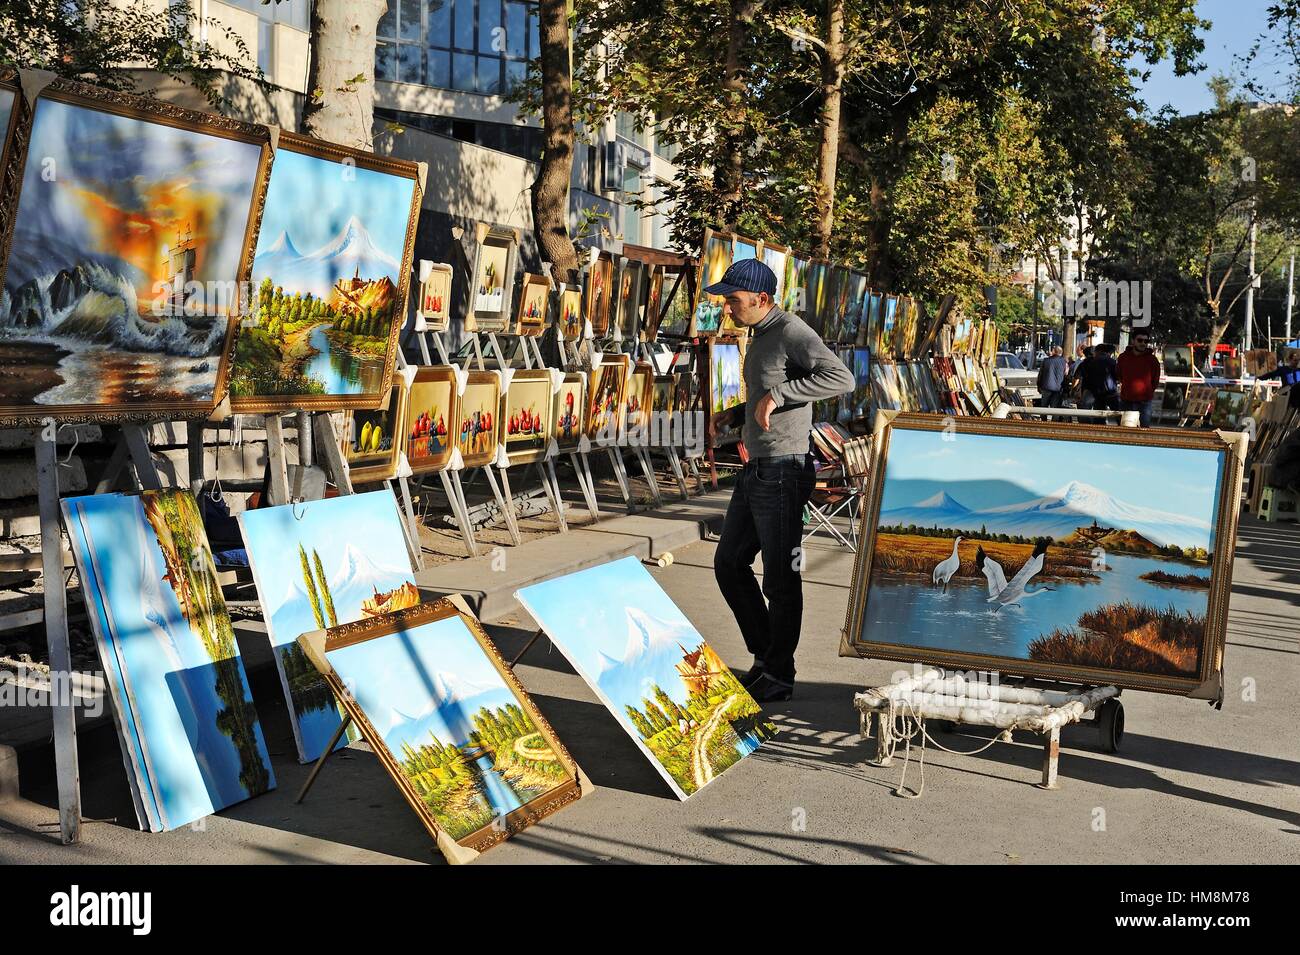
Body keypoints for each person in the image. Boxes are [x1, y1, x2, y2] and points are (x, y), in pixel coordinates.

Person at [709, 259, 854, 703]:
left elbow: (840, 377)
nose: (728, 309)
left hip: (785, 472)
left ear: (763, 300)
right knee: (729, 563)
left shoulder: (791, 330)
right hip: (758, 467)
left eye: (734, 301)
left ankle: (780, 673)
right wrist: (733, 415)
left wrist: (779, 393)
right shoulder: (760, 336)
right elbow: (763, 399)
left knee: (780, 578)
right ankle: (764, 657)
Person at [1117, 331, 1161, 427]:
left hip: (1144, 402)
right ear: (1133, 341)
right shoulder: (1123, 357)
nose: (1143, 343)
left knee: (1144, 431)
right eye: (1140, 340)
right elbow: (1120, 376)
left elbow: (1155, 380)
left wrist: (1147, 392)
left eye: (1146, 341)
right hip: (1126, 401)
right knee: (1124, 432)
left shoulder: (1152, 360)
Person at [1084, 343, 1120, 413]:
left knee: (1099, 415)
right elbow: (1117, 376)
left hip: (1097, 393)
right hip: (1111, 392)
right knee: (1117, 413)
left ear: (1098, 351)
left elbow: (1087, 378)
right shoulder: (1112, 361)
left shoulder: (1092, 362)